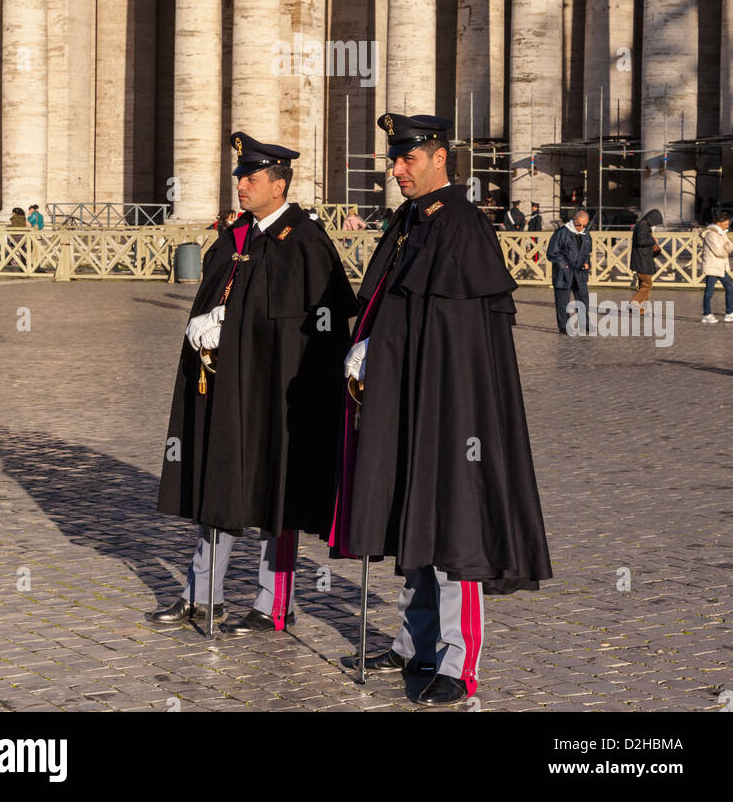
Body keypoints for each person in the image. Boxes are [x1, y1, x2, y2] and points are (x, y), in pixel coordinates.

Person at [331, 112, 552, 706]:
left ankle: (459, 662)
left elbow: (461, 337)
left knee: (457, 524)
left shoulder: (462, 225)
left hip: (456, 408)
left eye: (406, 159)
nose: (395, 169)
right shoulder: (409, 222)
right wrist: (370, 344)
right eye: (393, 159)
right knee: (413, 513)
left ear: (438, 157)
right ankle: (415, 644)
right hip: (405, 398)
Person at [152, 132, 357, 634]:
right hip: (224, 388)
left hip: (278, 394)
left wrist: (239, 326)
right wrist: (207, 322)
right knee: (217, 484)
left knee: (277, 493)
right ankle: (202, 595)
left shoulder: (305, 240)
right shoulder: (235, 236)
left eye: (252, 177)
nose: (242, 184)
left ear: (279, 185)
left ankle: (273, 602)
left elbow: (320, 325)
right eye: (240, 176)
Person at [547, 209, 592, 335]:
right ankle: (564, 326)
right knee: (563, 301)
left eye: (584, 225)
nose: (581, 227)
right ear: (574, 220)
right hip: (564, 273)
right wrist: (563, 265)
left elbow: (588, 251)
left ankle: (585, 323)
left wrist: (587, 263)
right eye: (579, 224)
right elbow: (552, 252)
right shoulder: (561, 232)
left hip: (580, 272)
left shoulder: (586, 233)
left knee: (583, 299)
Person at [699, 212, 733, 324]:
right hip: (712, 266)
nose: (727, 226)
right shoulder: (711, 234)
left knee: (730, 288)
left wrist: (727, 247)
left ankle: (729, 313)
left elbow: (730, 246)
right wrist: (727, 248)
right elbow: (719, 251)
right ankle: (706, 314)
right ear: (719, 222)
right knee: (709, 291)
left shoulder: (721, 233)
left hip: (720, 267)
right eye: (726, 223)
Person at [630, 209, 663, 310]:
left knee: (643, 285)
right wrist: (653, 240)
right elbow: (641, 240)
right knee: (647, 284)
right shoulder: (643, 225)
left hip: (643, 260)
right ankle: (634, 302)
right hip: (642, 260)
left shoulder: (643, 225)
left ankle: (641, 309)